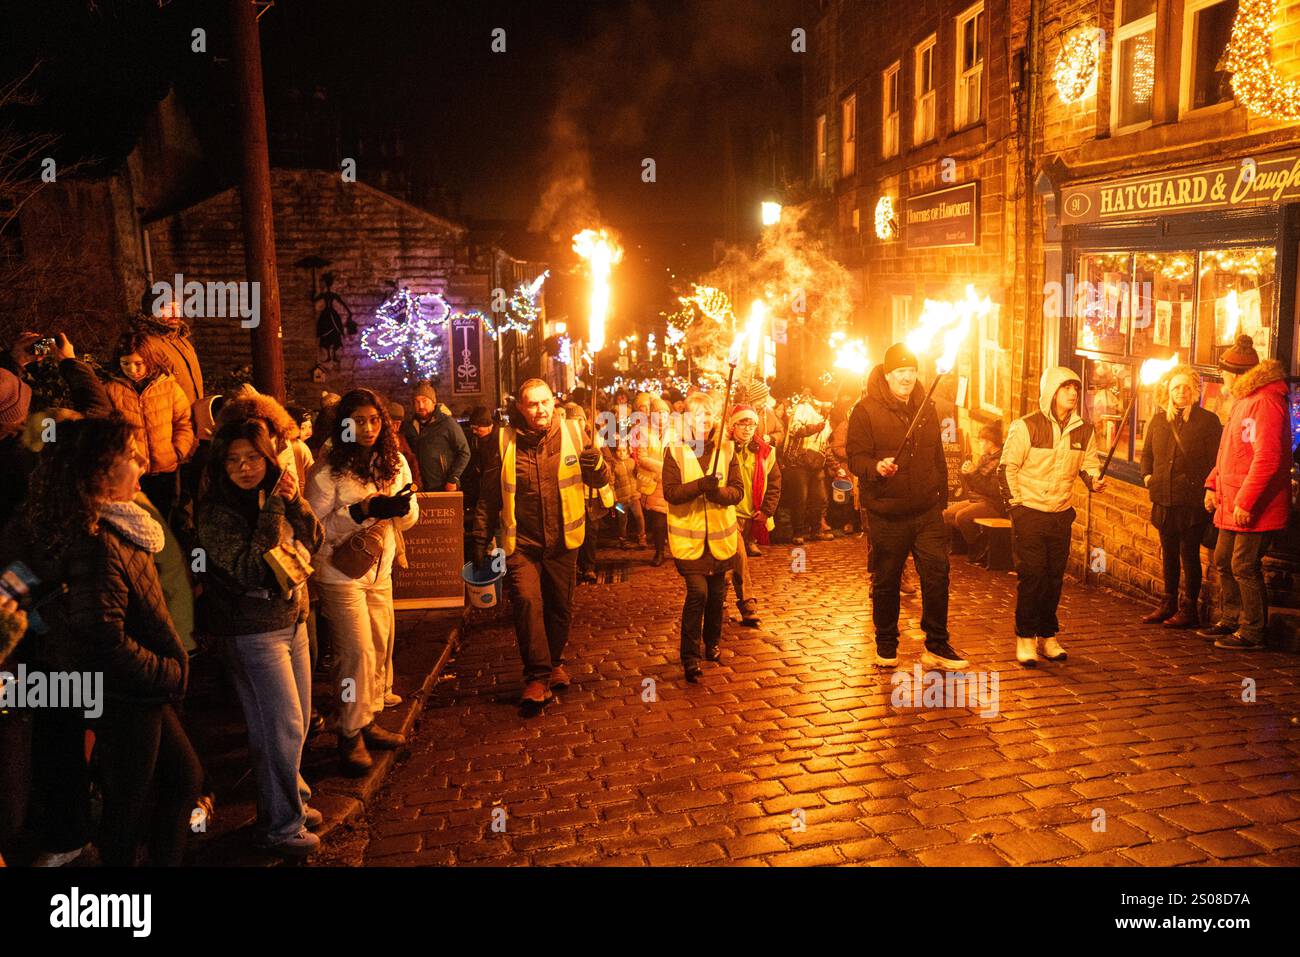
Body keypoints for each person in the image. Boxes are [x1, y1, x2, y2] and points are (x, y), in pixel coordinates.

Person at [19, 418, 201, 865]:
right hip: (125, 693)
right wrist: (167, 671)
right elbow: (103, 637)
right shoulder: (98, 540)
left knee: (183, 779)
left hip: (137, 688)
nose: (142, 463)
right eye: (131, 456)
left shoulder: (121, 522)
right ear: (99, 471)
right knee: (129, 811)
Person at [197, 416, 325, 856]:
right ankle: (279, 826)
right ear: (220, 465)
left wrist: (292, 501)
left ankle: (293, 801)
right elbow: (255, 566)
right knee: (278, 727)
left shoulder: (270, 492)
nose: (244, 467)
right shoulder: (216, 513)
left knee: (298, 721)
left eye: (253, 457)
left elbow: (315, 536)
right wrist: (272, 509)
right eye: (233, 460)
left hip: (292, 620)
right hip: (252, 631)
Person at [471, 379, 610, 710]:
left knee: (559, 607)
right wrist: (479, 536)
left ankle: (554, 661)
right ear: (520, 407)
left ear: (554, 402)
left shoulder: (576, 433)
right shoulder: (504, 440)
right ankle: (536, 677)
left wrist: (597, 466)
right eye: (532, 404)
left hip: (564, 540)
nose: (540, 410)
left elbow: (602, 479)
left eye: (545, 402)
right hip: (522, 543)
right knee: (527, 603)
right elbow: (489, 494)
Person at [306, 389, 418, 774]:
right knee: (355, 652)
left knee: (379, 645)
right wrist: (361, 511)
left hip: (379, 566)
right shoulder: (328, 472)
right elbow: (314, 530)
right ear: (344, 425)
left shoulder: (395, 461)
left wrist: (399, 509)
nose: (367, 428)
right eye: (358, 421)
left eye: (374, 420)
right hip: (339, 572)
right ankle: (349, 733)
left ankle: (367, 718)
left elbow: (410, 518)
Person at [847, 344, 967, 670]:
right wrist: (876, 467)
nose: (907, 378)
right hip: (888, 511)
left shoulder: (925, 407)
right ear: (887, 375)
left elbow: (935, 453)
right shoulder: (866, 410)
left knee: (937, 574)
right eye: (900, 372)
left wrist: (941, 493)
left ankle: (937, 644)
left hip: (926, 510)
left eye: (912, 371)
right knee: (887, 579)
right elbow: (855, 457)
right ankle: (886, 642)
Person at [999, 366, 1106, 667]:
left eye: (1075, 388)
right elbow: (1007, 468)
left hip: (1060, 514)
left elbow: (1089, 464)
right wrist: (1017, 507)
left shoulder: (1083, 430)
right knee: (1032, 576)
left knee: (1053, 578)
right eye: (1066, 387)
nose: (1073, 393)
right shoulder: (1026, 426)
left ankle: (1048, 636)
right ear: (1051, 392)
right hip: (1029, 512)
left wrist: (1094, 480)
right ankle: (1025, 637)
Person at [1199, 336, 1291, 650]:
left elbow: (1267, 458)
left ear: (1236, 374)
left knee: (1243, 564)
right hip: (1232, 498)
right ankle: (1231, 618)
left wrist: (1246, 500)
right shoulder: (1244, 399)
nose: (1221, 378)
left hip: (1255, 504)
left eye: (1224, 373)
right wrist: (1213, 483)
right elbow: (1231, 451)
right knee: (1223, 559)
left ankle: (1253, 631)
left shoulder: (1265, 402)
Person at [663, 391, 744, 682]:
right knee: (699, 593)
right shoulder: (675, 450)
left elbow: (737, 491)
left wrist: (718, 493)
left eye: (708, 414)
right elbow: (670, 493)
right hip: (691, 541)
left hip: (720, 540)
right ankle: (689, 656)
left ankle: (712, 642)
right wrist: (699, 485)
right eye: (698, 414)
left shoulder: (726, 449)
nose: (704, 420)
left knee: (717, 595)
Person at [1139, 365, 1221, 629]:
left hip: (1191, 502)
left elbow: (1215, 460)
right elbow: (1147, 455)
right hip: (1164, 499)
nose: (1181, 392)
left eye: (1186, 387)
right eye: (1176, 387)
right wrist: (1148, 477)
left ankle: (1189, 608)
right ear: (1168, 391)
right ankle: (1168, 602)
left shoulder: (1207, 421)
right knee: (1169, 554)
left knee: (1189, 555)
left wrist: (1208, 488)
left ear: (1195, 391)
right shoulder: (1158, 420)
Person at [104, 331, 195, 522]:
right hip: (132, 471)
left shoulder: (169, 387)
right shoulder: (111, 390)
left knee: (166, 517)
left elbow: (183, 422)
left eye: (139, 363)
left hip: (165, 469)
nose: (132, 369)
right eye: (125, 363)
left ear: (150, 360)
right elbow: (107, 430)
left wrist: (177, 451)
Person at [728, 403, 781, 627]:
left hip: (751, 513)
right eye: (743, 423)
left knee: (730, 558)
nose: (748, 428)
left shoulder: (765, 452)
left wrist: (767, 510)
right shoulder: (724, 449)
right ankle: (748, 605)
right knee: (739, 558)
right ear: (733, 426)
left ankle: (720, 596)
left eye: (752, 424)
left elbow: (775, 482)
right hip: (729, 513)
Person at [942, 420, 1007, 553]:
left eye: (981, 441)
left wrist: (973, 473)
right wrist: (967, 474)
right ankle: (965, 546)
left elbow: (992, 490)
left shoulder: (1000, 462)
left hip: (993, 504)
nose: (980, 444)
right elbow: (974, 487)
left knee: (962, 517)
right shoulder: (985, 458)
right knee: (948, 514)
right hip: (978, 499)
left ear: (989, 443)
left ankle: (978, 548)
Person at [781, 388, 834, 544]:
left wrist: (835, 465)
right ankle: (798, 532)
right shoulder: (803, 408)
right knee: (800, 498)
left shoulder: (825, 416)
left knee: (819, 498)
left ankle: (816, 530)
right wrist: (816, 427)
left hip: (816, 463)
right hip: (798, 461)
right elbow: (795, 430)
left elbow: (824, 444)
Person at [402, 382, 470, 493]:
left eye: (424, 401)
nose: (421, 406)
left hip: (443, 486)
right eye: (417, 402)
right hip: (418, 487)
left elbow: (464, 452)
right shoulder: (410, 427)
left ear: (433, 402)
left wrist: (453, 478)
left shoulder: (447, 423)